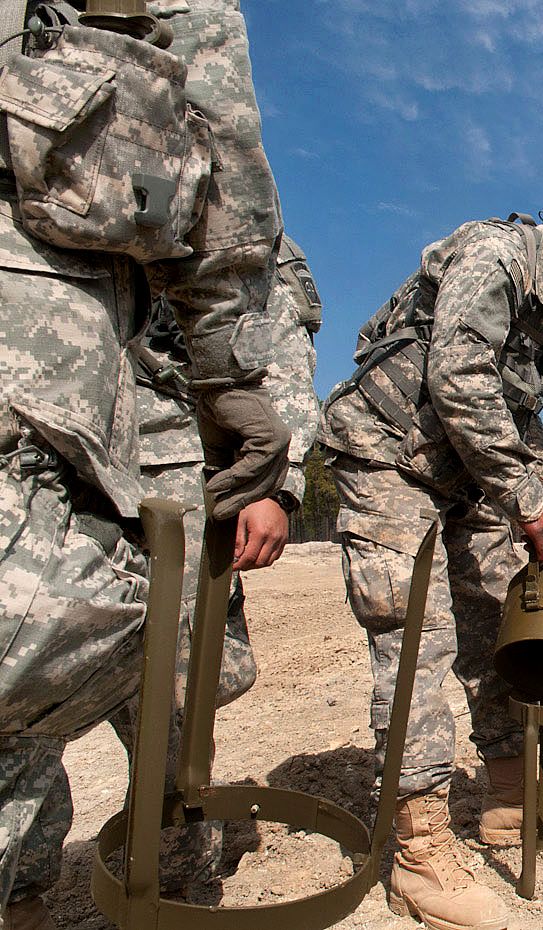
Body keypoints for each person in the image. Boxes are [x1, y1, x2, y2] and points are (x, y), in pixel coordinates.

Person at [320, 149, 543, 929]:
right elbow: (458, 378)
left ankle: (512, 802)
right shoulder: (497, 256)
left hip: (463, 469)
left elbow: (515, 411)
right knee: (416, 636)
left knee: (502, 617)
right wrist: (523, 496)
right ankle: (418, 851)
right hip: (388, 454)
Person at [0, 3, 292, 925]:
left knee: (153, 670)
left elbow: (263, 310)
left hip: (139, 435)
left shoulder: (248, 262)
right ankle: (37, 883)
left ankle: (170, 854)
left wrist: (271, 473)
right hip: (82, 406)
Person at [106, 235, 322, 894]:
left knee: (176, 686)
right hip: (66, 442)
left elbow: (283, 359)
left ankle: (179, 880)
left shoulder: (241, 231)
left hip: (178, 460)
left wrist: (275, 486)